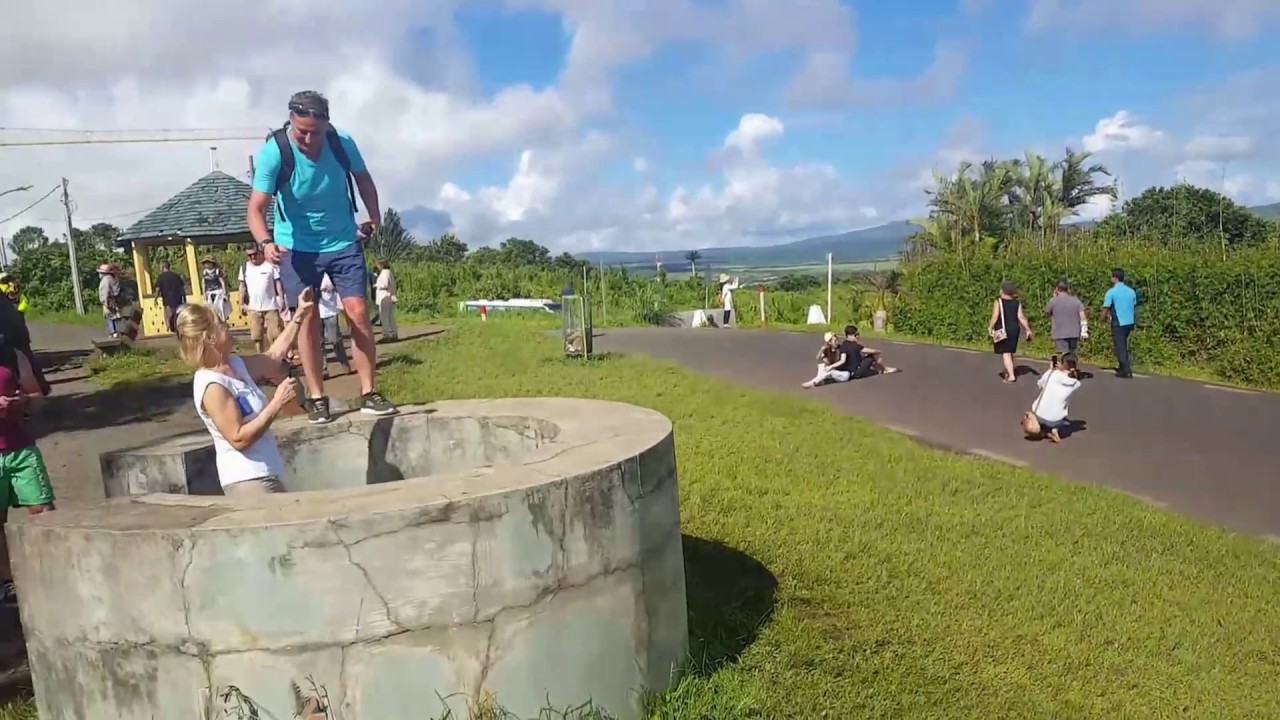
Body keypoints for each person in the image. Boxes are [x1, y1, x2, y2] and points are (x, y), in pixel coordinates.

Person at [247, 90, 396, 424]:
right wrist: (266, 242)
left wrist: (374, 216)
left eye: (315, 132)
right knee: (308, 319)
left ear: (327, 124)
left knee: (358, 313)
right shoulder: (275, 151)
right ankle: (317, 397)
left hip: (343, 240)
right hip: (296, 247)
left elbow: (364, 180)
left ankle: (369, 392)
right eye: (301, 131)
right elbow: (256, 208)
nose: (308, 139)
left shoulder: (342, 142)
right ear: (291, 121)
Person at [176, 288, 314, 495]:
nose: (227, 325)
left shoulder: (235, 365)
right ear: (210, 338)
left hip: (267, 471)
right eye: (221, 323)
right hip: (247, 480)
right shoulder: (212, 385)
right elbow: (238, 438)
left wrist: (299, 315)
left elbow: (273, 357)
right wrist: (276, 403)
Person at [0, 346, 56, 606]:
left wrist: (22, 401)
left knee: (45, 513)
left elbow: (37, 398)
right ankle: (7, 582)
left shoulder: (11, 354)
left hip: (22, 450)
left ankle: (52, 571)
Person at [238, 245, 285, 353]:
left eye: (255, 254)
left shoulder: (270, 265)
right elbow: (242, 286)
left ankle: (275, 356)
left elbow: (278, 283)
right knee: (256, 336)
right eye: (249, 255)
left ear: (260, 253)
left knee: (275, 334)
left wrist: (281, 300)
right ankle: (260, 356)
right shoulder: (244, 267)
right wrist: (241, 303)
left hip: (271, 306)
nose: (253, 257)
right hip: (253, 307)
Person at [1026, 354, 1082, 443]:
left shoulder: (1052, 373)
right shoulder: (1075, 383)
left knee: (1040, 413)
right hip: (1055, 420)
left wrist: (1051, 369)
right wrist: (1068, 371)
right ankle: (1054, 429)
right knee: (1066, 423)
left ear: (1061, 363)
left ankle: (1043, 429)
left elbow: (1040, 384)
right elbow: (1074, 380)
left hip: (1038, 414)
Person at [989, 281, 1033, 384]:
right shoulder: (1017, 303)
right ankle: (1009, 370)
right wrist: (1027, 329)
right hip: (1014, 329)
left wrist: (990, 327)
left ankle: (1011, 376)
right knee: (1010, 351)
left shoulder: (998, 302)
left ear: (1002, 291)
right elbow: (1021, 317)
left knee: (1006, 353)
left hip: (1003, 330)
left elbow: (995, 316)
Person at [1102, 268, 1137, 379]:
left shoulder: (1111, 292)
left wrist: (1102, 319)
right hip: (1129, 322)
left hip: (1118, 322)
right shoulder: (1131, 291)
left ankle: (1126, 370)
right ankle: (1122, 366)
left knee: (1120, 346)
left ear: (1115, 278)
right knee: (1123, 344)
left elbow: (1106, 308)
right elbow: (1134, 304)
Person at [318, 273, 351, 379]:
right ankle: (323, 369)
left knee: (335, 340)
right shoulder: (311, 274)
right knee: (319, 343)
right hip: (316, 313)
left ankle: (344, 363)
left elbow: (337, 288)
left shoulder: (328, 275)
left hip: (330, 312)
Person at [835, 324, 900, 379]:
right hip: (857, 371)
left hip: (850, 372)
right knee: (872, 355)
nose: (857, 336)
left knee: (868, 360)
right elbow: (870, 351)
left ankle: (881, 369)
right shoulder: (855, 346)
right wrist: (879, 351)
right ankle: (885, 369)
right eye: (855, 335)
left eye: (858, 334)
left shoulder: (843, 345)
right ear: (849, 336)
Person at [1045, 279, 1088, 354]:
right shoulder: (1076, 301)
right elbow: (1082, 316)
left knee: (1064, 354)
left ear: (1057, 289)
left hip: (1059, 333)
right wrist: (1084, 331)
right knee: (1073, 354)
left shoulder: (1053, 301)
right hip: (1074, 333)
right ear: (1067, 289)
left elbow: (1047, 314)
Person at [154, 262, 187, 334]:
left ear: (163, 267)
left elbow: (157, 289)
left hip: (167, 299)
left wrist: (155, 299)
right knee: (177, 314)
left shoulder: (161, 277)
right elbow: (182, 288)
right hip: (178, 299)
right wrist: (184, 298)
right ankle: (177, 327)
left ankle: (171, 328)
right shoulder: (176, 276)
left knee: (169, 315)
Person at [373, 258, 398, 342]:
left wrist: (377, 285)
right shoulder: (389, 272)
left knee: (384, 316)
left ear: (381, 265)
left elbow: (385, 284)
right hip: (389, 296)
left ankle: (386, 335)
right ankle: (394, 333)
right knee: (390, 317)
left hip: (384, 296)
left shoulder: (384, 273)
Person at [97, 263, 125, 337]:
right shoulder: (113, 279)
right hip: (114, 300)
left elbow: (105, 292)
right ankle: (117, 331)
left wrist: (104, 301)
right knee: (115, 316)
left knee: (108, 316)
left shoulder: (105, 280)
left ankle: (113, 332)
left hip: (108, 301)